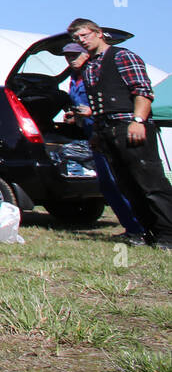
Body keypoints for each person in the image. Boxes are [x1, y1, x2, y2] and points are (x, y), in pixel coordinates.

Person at [67, 18, 172, 250]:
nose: (81, 41)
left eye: (84, 35)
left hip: (129, 125)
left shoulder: (123, 56)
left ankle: (168, 235)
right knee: (127, 185)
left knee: (151, 183)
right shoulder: (89, 66)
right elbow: (101, 103)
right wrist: (96, 131)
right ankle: (147, 232)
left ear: (99, 33)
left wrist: (138, 120)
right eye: (76, 39)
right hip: (106, 129)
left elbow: (142, 91)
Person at [63, 42, 148, 242]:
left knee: (121, 180)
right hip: (92, 132)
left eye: (75, 55)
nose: (70, 59)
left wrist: (92, 112)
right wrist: (76, 117)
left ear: (86, 53)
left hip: (110, 129)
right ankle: (132, 228)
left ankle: (143, 227)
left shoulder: (95, 73)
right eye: (67, 56)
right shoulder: (73, 79)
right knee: (107, 184)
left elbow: (111, 100)